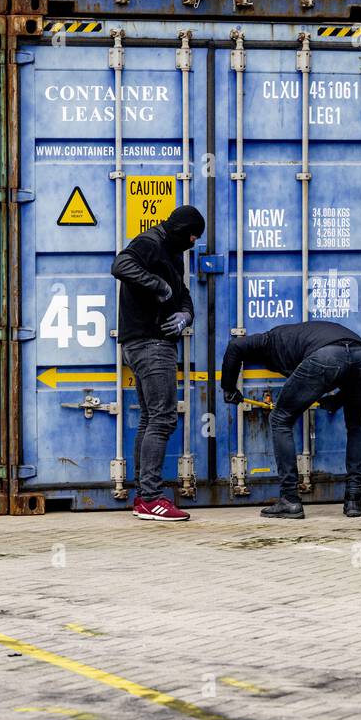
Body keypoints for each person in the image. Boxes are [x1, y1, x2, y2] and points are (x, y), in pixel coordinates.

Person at [221, 321, 361, 519]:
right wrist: (337, 400)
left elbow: (234, 346)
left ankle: (289, 499)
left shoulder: (268, 339)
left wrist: (229, 388)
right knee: (356, 425)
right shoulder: (299, 335)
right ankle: (353, 499)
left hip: (326, 357)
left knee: (280, 419)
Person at [110, 205, 205, 522]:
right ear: (181, 230)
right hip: (150, 344)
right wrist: (158, 286)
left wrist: (185, 315)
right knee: (163, 419)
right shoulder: (151, 242)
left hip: (150, 343)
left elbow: (183, 292)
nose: (193, 242)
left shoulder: (173, 251)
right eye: (192, 235)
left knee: (151, 418)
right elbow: (120, 264)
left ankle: (143, 499)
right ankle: (151, 498)